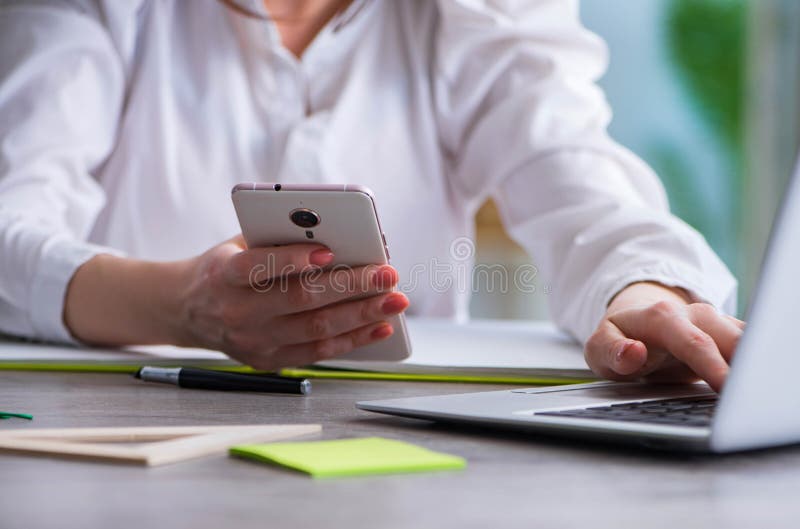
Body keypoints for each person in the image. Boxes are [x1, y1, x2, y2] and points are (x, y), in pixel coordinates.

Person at [0, 0, 741, 391]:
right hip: (129, 433)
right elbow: (10, 227)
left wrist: (647, 292)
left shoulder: (480, 14)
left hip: (403, 452)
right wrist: (180, 302)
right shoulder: (92, 11)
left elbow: (582, 182)